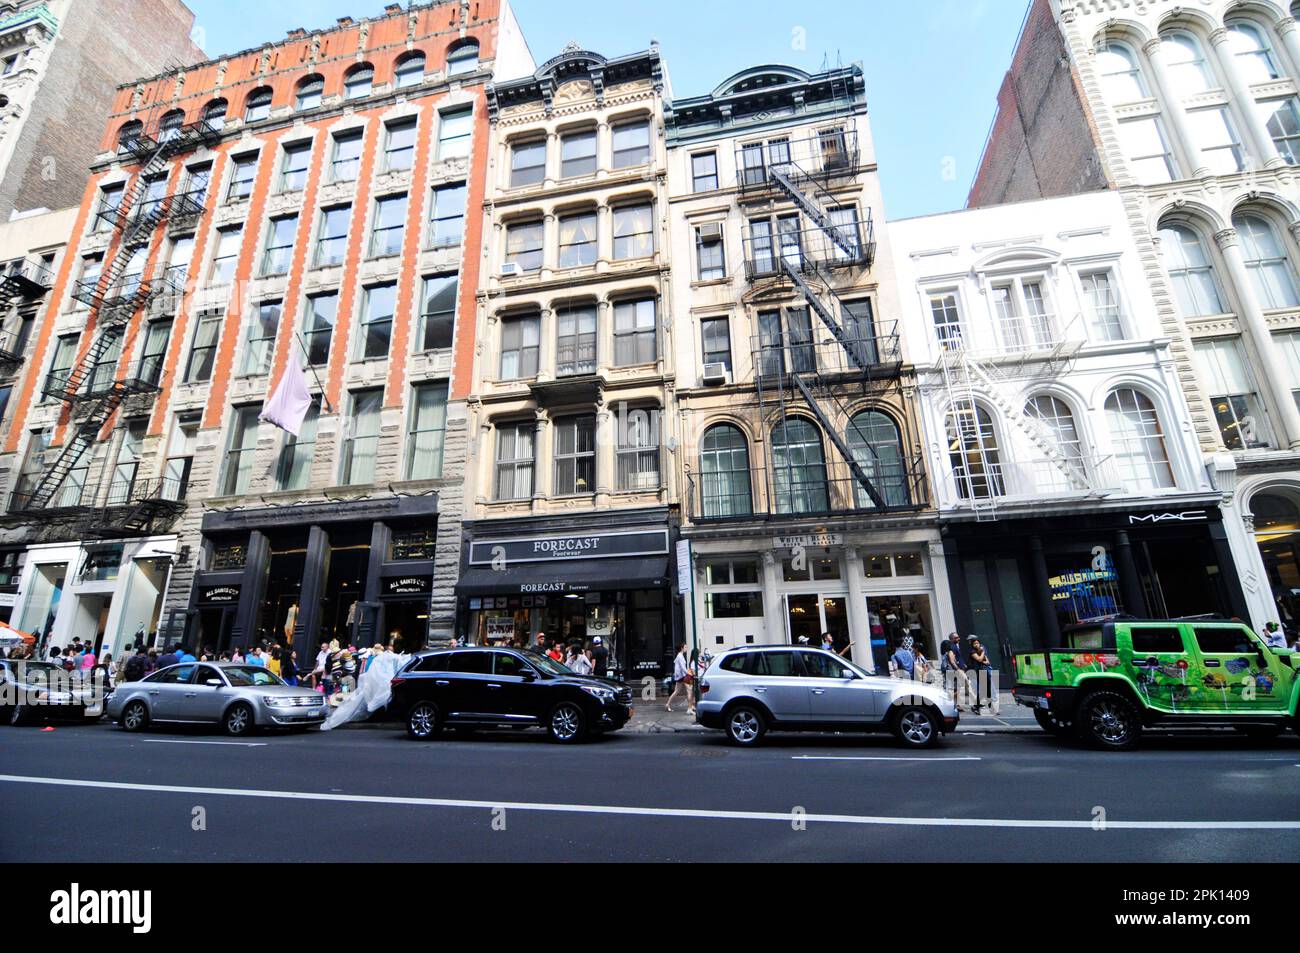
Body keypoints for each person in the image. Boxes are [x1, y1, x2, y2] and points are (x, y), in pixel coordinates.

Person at [967, 636, 993, 713]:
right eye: (974, 644)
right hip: (979, 671)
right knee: (982, 690)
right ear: (972, 644)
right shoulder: (972, 652)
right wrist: (983, 652)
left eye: (977, 643)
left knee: (987, 690)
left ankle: (987, 707)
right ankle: (977, 706)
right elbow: (979, 659)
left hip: (985, 671)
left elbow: (988, 662)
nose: (976, 645)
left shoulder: (980, 652)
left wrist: (982, 658)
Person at [666, 643, 692, 712]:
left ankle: (668, 704)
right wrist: (689, 674)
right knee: (689, 690)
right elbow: (683, 668)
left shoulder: (679, 656)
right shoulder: (680, 656)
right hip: (682, 676)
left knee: (677, 691)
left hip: (680, 676)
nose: (686, 648)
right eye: (685, 647)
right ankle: (690, 708)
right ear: (682, 648)